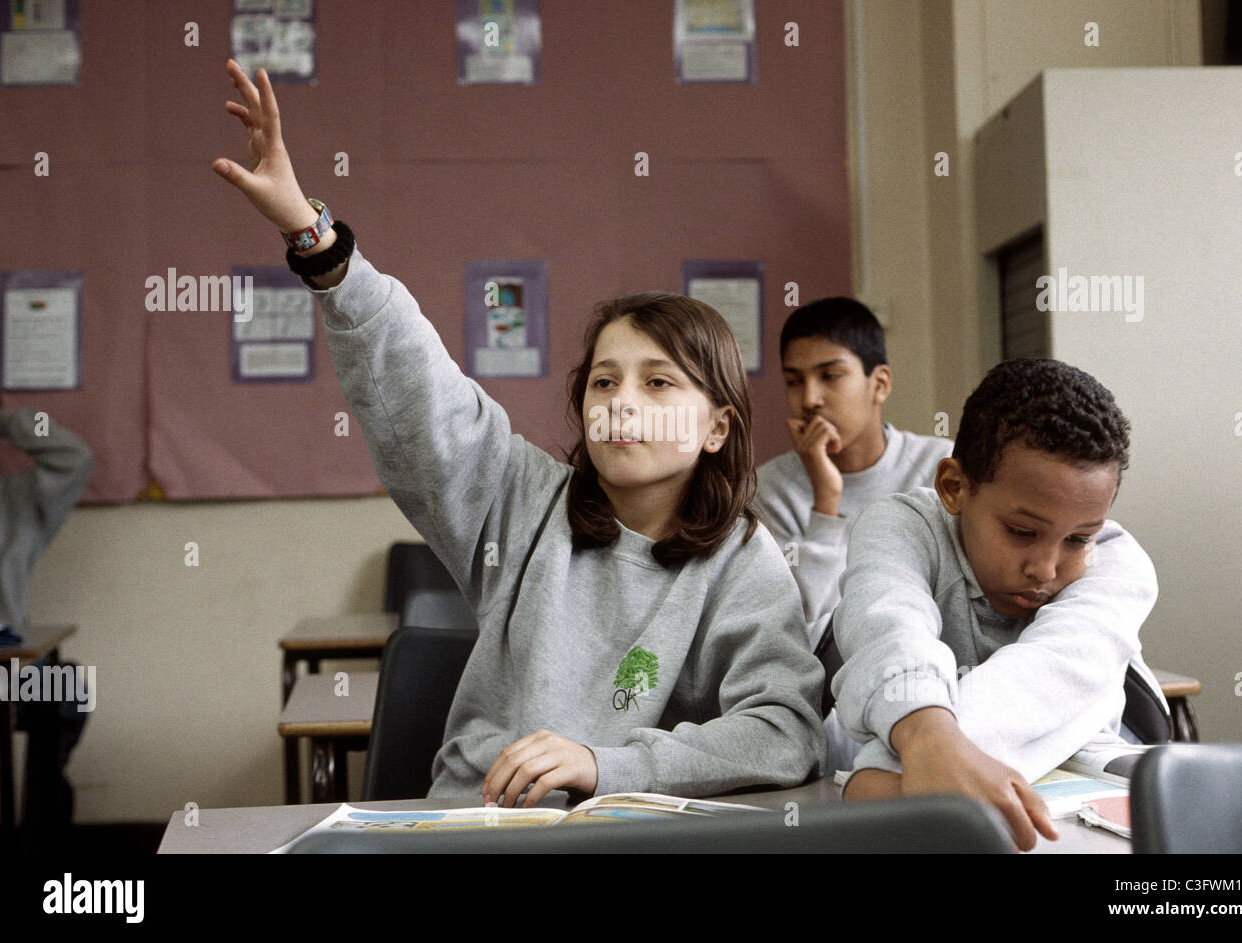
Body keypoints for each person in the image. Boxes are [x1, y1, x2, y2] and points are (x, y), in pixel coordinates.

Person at [212, 60, 824, 806]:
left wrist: (607, 763)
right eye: (604, 381)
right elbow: (418, 387)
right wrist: (315, 239)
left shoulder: (741, 562)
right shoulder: (526, 503)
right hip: (481, 830)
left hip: (626, 837)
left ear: (718, 427)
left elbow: (785, 729)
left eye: (657, 382)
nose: (621, 403)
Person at [832, 358, 1160, 851]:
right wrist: (926, 738)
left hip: (1077, 800)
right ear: (954, 487)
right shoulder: (902, 527)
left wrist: (899, 765)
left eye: (1077, 539)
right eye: (1021, 532)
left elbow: (1046, 675)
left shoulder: (1117, 564)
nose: (1046, 568)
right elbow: (890, 627)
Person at [753, 297, 951, 771]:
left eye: (830, 375)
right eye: (794, 381)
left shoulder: (941, 467)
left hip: (937, 683)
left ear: (879, 383)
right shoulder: (771, 488)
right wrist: (826, 498)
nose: (810, 398)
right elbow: (797, 628)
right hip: (829, 706)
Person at [0, 387, 94, 826]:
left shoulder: (13, 503)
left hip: (3, 674)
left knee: (65, 686)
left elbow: (76, 457)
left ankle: (38, 837)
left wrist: (1, 420)